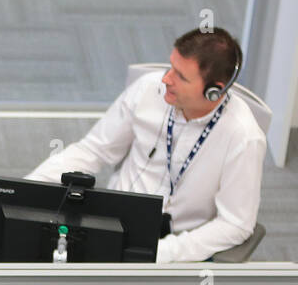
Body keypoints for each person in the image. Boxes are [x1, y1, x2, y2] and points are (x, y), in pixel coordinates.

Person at [26, 28, 266, 263]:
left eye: (181, 76)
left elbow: (236, 224)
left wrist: (165, 253)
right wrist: (29, 189)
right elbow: (93, 151)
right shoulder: (147, 90)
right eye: (170, 66)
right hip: (112, 222)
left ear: (215, 91)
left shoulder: (242, 137)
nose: (166, 79)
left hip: (177, 246)